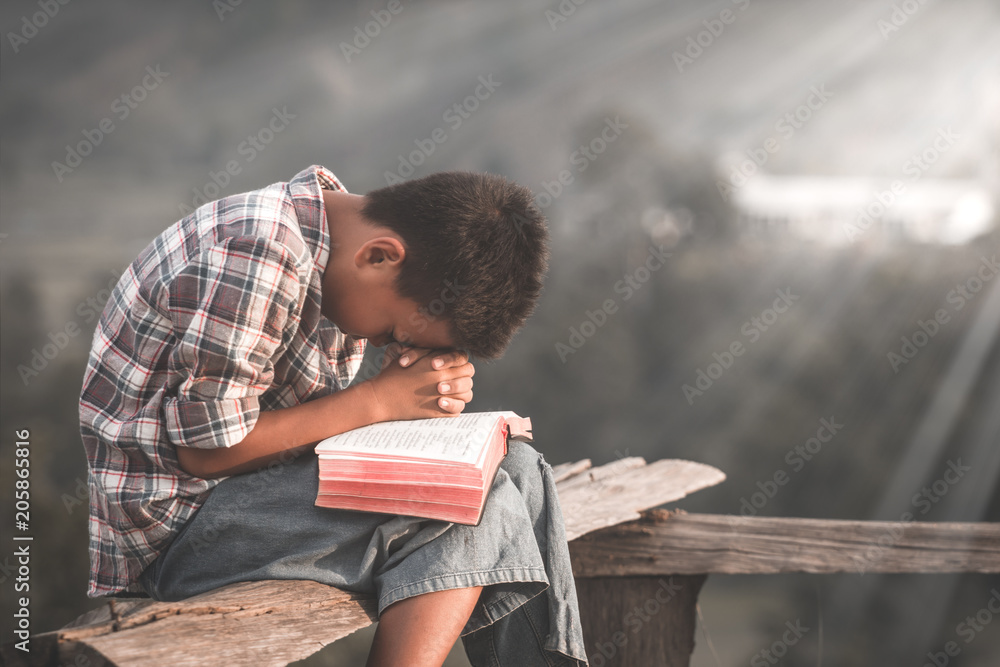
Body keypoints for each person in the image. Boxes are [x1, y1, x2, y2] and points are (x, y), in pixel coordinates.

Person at [78, 165, 589, 666]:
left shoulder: (337, 242)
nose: (388, 346)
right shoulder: (260, 252)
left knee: (520, 469)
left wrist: (417, 401)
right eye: (396, 335)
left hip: (260, 494)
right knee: (472, 500)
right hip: (181, 532)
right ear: (380, 256)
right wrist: (380, 400)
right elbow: (207, 451)